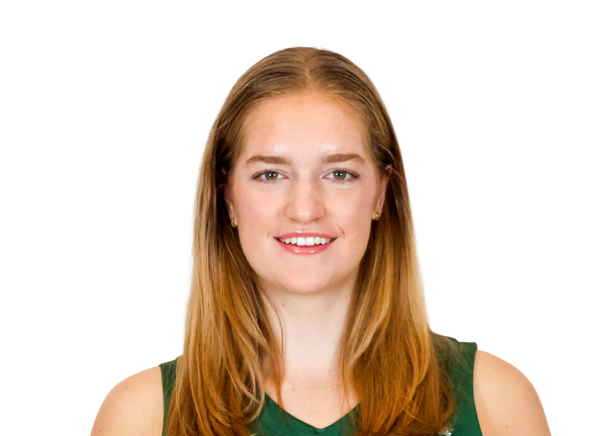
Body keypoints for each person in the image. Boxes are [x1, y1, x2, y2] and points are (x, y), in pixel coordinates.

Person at [90, 45, 551, 436]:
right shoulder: (140, 417)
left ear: (381, 194)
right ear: (227, 196)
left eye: (339, 174)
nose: (306, 208)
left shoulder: (495, 401)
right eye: (270, 174)